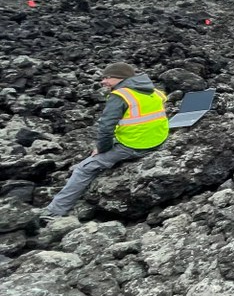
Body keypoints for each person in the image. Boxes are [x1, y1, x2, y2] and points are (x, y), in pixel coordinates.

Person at [43, 62, 169, 219]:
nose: (103, 81)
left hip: (134, 145)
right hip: (158, 140)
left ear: (120, 78)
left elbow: (106, 128)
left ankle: (54, 212)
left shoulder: (121, 96)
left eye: (107, 77)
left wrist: (102, 149)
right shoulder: (155, 92)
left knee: (84, 168)